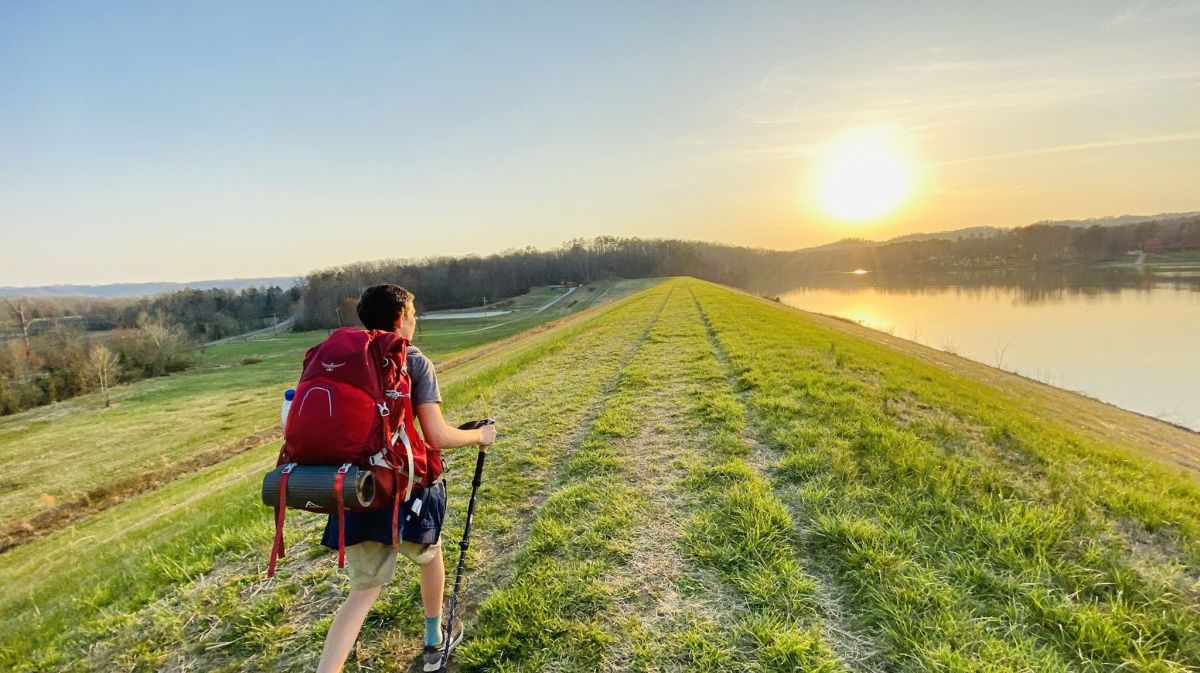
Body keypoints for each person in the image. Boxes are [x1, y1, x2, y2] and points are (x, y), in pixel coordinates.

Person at [315, 284, 497, 673]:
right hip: (408, 487)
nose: (416, 322)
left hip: (357, 489)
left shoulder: (342, 360)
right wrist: (479, 436)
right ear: (401, 319)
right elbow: (436, 436)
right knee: (431, 557)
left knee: (362, 593)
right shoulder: (413, 360)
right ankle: (434, 640)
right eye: (413, 315)